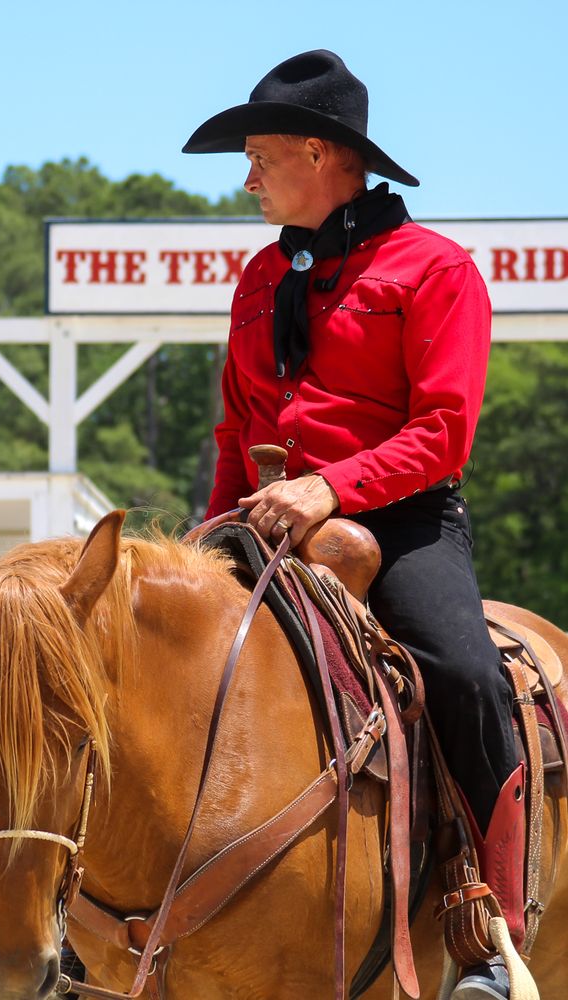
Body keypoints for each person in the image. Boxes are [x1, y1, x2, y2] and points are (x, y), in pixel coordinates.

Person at [184, 50, 523, 1000]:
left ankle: (489, 930)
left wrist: (330, 491)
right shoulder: (259, 279)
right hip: (257, 521)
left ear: (320, 153)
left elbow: (444, 433)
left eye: (259, 156)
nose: (247, 178)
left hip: (404, 522)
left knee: (463, 670)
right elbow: (233, 432)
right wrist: (199, 544)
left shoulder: (437, 270)